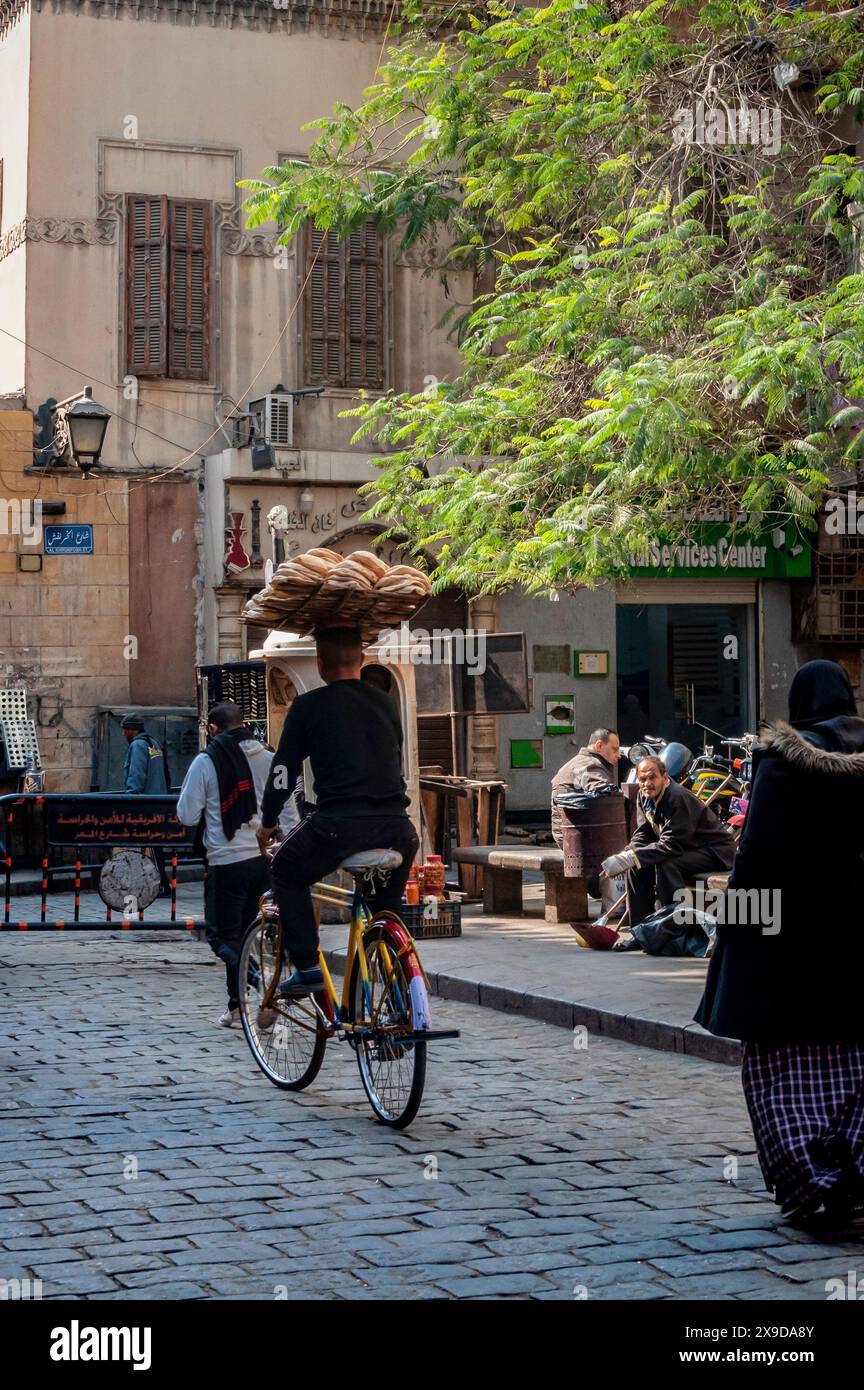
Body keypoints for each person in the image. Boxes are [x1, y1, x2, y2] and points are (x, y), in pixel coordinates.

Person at [695, 660, 864, 1225]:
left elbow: (757, 855)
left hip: (784, 949)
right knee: (855, 1068)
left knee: (780, 1071)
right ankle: (855, 1179)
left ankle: (810, 1188)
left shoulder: (782, 762)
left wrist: (733, 923)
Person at [256, 627, 419, 998]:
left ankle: (309, 968)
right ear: (362, 661)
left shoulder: (308, 706)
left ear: (321, 664)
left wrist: (268, 821)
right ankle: (396, 990)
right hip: (399, 828)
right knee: (385, 912)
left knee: (284, 868)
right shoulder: (386, 703)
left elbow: (284, 771)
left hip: (339, 826)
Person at [177, 702, 283, 1027]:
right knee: (242, 934)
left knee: (221, 938)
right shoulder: (268, 756)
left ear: (212, 729)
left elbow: (187, 815)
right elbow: (287, 804)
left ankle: (261, 983)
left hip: (226, 862)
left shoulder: (207, 761)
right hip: (262, 861)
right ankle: (237, 1007)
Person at [602, 755, 735, 949]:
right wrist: (627, 855)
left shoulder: (676, 796)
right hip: (685, 850)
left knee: (666, 862)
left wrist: (633, 856)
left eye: (652, 777)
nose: (647, 783)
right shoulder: (643, 796)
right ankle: (641, 932)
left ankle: (670, 929)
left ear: (664, 778)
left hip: (714, 851)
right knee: (636, 867)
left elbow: (672, 844)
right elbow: (644, 835)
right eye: (642, 779)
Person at [550, 727, 622, 850]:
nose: (619, 755)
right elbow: (603, 793)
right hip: (579, 840)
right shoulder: (590, 765)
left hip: (568, 835)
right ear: (599, 745)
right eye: (615, 749)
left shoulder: (578, 762)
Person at [121, 714, 168, 793]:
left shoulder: (138, 745)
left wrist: (130, 799)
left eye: (125, 730)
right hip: (160, 799)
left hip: (146, 802)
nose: (123, 734)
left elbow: (136, 775)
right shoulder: (154, 743)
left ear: (132, 729)